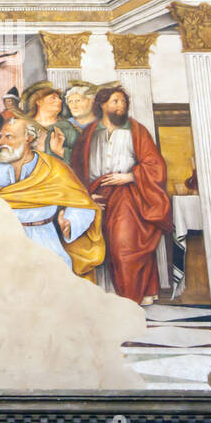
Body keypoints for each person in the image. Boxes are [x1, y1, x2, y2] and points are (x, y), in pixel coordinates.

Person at [71, 85, 172, 304]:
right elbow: (78, 167)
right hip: (98, 193)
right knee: (100, 248)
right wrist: (87, 196)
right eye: (116, 101)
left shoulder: (136, 129)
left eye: (124, 102)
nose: (121, 106)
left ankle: (130, 300)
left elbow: (155, 165)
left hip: (129, 193)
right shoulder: (89, 133)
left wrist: (129, 177)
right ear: (103, 105)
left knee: (124, 245)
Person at [0, 117, 104, 278]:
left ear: (28, 138)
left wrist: (70, 223)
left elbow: (82, 204)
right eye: (1, 136)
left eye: (9, 137)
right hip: (1, 242)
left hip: (44, 241)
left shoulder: (53, 168)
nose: (1, 142)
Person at [20, 81, 78, 162]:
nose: (59, 101)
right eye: (53, 98)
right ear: (38, 101)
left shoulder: (67, 127)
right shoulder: (22, 126)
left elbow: (82, 157)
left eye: (59, 98)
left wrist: (61, 151)